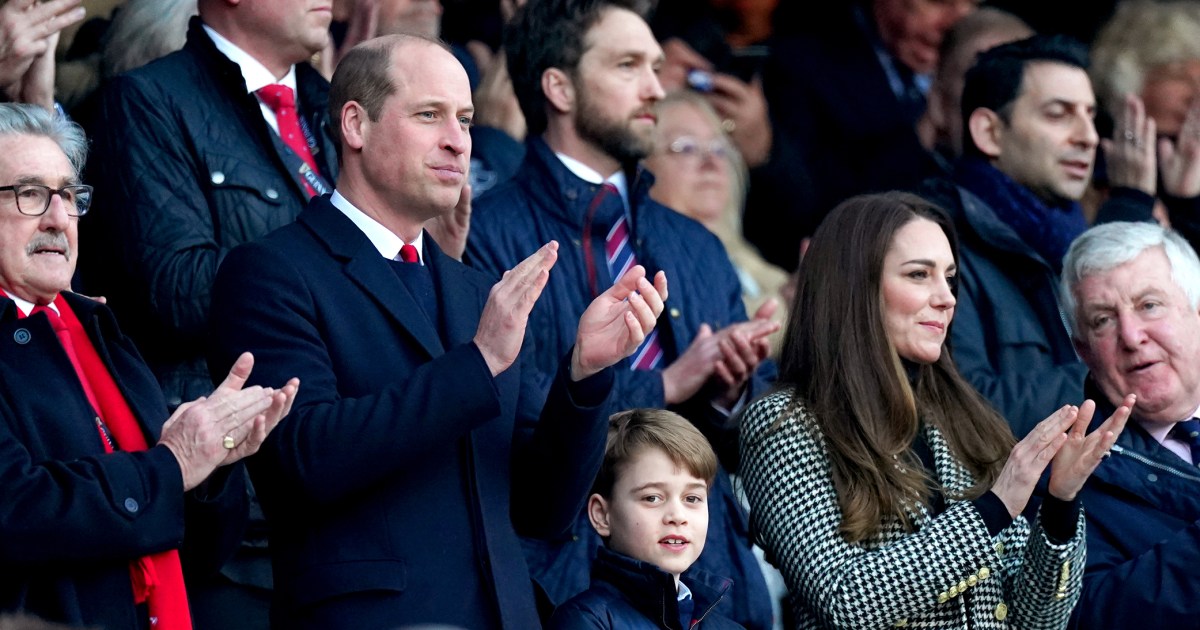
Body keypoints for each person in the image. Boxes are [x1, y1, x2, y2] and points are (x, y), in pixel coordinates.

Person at [208, 34, 668, 629]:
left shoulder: (477, 291)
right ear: (355, 124)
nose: (458, 140)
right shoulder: (271, 272)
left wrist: (585, 376)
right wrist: (475, 364)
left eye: (467, 120)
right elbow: (306, 460)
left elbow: (543, 511)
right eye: (430, 115)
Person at [470, 1, 777, 626]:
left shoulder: (696, 243)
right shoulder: (488, 234)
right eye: (629, 65)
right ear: (558, 86)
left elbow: (755, 446)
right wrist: (664, 383)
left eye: (657, 66)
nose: (655, 87)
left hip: (712, 583)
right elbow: (509, 433)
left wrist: (731, 392)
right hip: (558, 587)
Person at [739, 192, 1130, 628]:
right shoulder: (784, 424)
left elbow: (1038, 621)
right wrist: (995, 507)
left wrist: (1060, 503)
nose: (947, 298)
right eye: (919, 275)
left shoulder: (965, 416)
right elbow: (842, 599)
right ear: (855, 288)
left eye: (949, 278)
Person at [81, 0, 339, 622]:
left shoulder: (337, 105)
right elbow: (175, 290)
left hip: (345, 502)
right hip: (236, 509)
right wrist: (339, 265)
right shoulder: (147, 98)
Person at [0, 103, 298, 628]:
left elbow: (194, 553)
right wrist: (172, 466)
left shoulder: (99, 330)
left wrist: (212, 465)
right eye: (30, 195)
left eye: (68, 196)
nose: (56, 218)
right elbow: (17, 510)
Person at [918, 35, 1100, 437]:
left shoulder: (1073, 243)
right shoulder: (935, 247)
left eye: (1090, 115)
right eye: (1059, 114)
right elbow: (961, 410)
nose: (1088, 136)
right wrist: (1110, 375)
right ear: (989, 132)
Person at [1060, 221, 1200, 628]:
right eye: (1103, 319)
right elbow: (1083, 614)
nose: (1132, 336)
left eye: (1149, 305)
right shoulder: (1064, 478)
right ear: (1082, 350)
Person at [549, 409, 741, 630]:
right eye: (652, 498)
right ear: (602, 515)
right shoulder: (586, 621)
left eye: (692, 498)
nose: (677, 516)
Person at [644, 90, 789, 358]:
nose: (711, 163)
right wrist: (797, 304)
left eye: (720, 149)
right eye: (686, 147)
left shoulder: (748, 258)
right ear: (642, 166)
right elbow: (708, 339)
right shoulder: (644, 263)